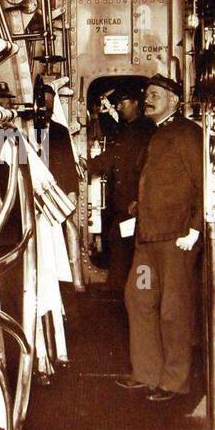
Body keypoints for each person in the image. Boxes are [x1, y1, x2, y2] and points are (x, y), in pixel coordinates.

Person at [120, 75, 203, 403]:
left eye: (155, 94)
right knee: (139, 299)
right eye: (146, 94)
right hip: (148, 240)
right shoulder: (158, 135)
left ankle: (173, 381)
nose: (147, 99)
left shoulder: (187, 134)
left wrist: (195, 229)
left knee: (173, 311)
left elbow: (201, 182)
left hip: (174, 240)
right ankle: (146, 373)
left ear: (174, 100)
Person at [87, 81, 154, 292]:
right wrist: (88, 165)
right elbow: (113, 157)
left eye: (122, 102)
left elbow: (143, 168)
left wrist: (139, 200)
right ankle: (122, 290)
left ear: (136, 103)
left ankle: (124, 291)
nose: (117, 107)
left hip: (133, 203)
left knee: (123, 244)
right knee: (120, 243)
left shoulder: (144, 130)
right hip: (125, 203)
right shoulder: (130, 129)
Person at [34, 84, 85, 294]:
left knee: (63, 236)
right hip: (37, 191)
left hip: (57, 193)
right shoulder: (28, 131)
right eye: (43, 103)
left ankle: (69, 283)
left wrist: (72, 191)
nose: (47, 107)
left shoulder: (59, 132)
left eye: (50, 103)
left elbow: (68, 165)